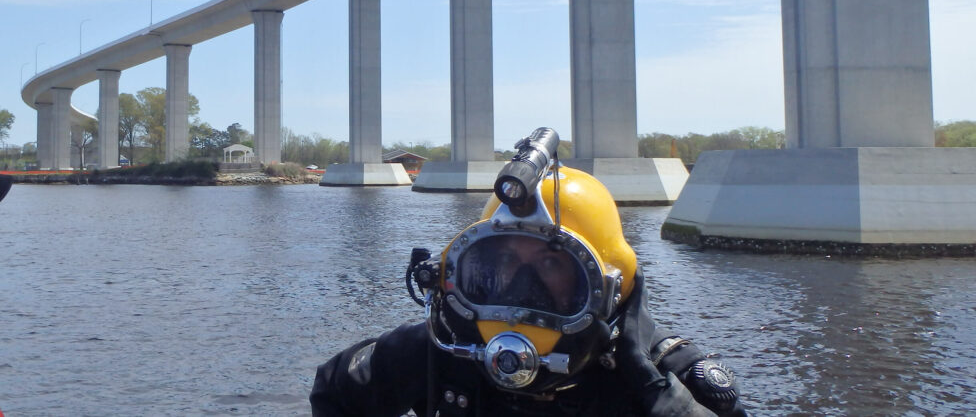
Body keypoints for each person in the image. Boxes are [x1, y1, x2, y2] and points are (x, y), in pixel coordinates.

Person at [310, 129, 747, 416]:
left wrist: (661, 400)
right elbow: (334, 394)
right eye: (503, 262)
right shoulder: (439, 353)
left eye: (551, 262)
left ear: (610, 285)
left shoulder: (669, 383)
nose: (523, 283)